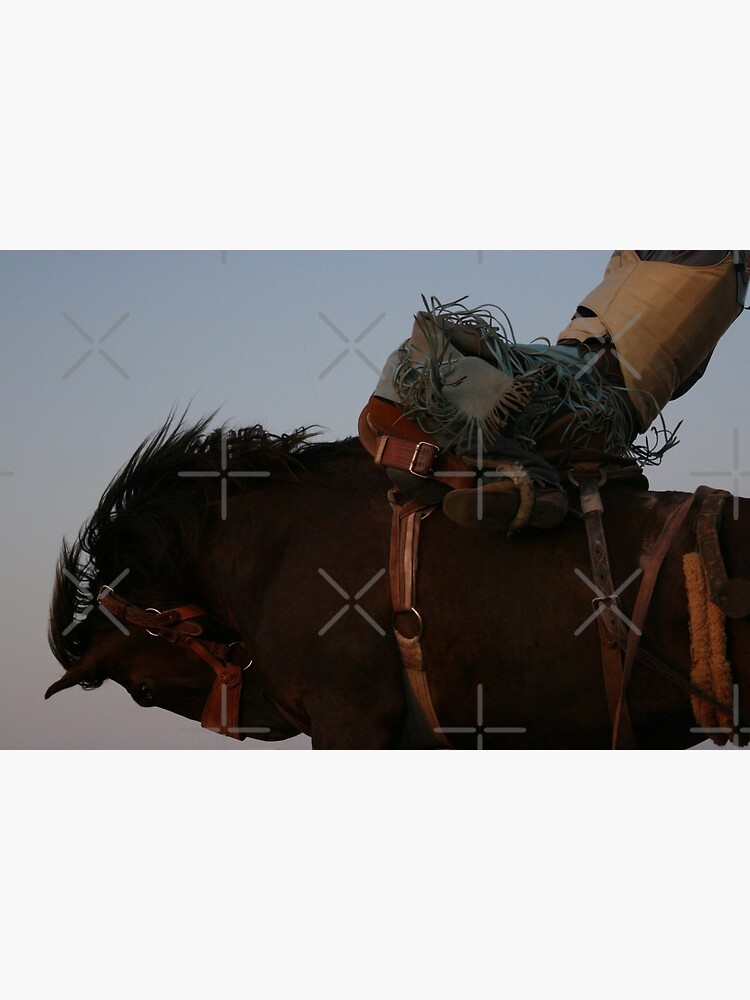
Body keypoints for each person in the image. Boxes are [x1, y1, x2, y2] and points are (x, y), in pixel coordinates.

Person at [364, 252, 748, 532]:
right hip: (604, 400)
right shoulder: (724, 286)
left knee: (425, 345)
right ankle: (491, 470)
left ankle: (518, 473)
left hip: (581, 384)